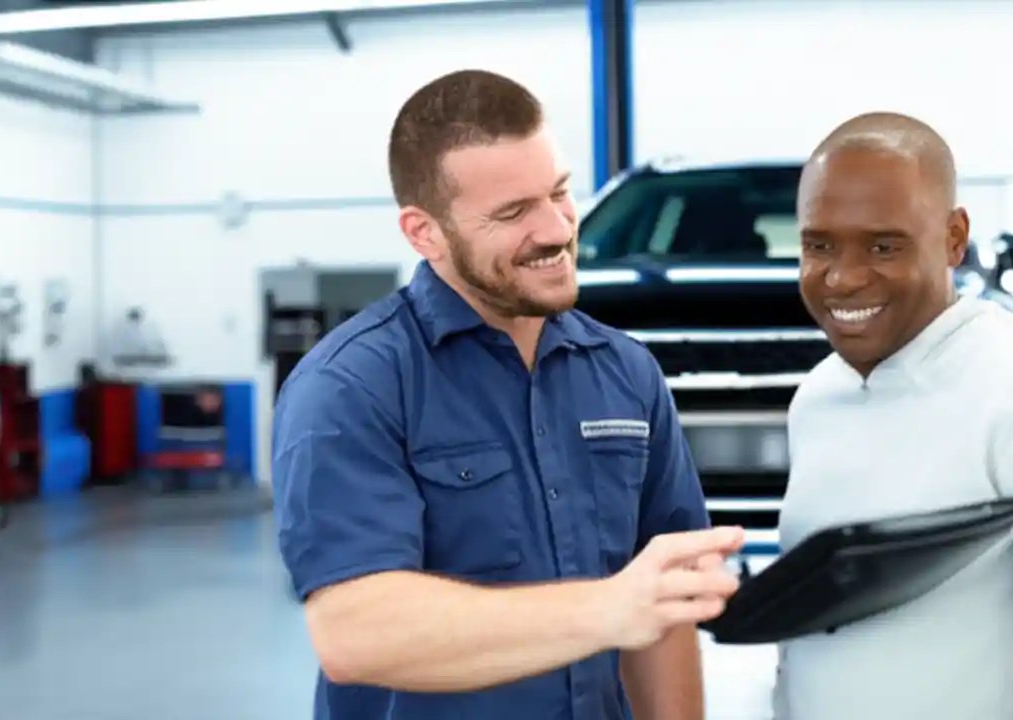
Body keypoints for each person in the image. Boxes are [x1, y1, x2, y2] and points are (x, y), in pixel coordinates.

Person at [270, 68, 746, 720]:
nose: (556, 230)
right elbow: (356, 633)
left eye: (559, 192)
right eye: (513, 212)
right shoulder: (351, 386)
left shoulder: (626, 372)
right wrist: (609, 607)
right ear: (423, 232)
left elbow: (663, 609)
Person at [770, 111, 1013, 719]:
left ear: (955, 237)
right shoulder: (819, 398)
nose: (842, 278)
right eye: (818, 245)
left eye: (883, 246)